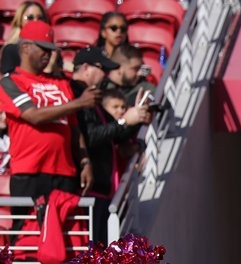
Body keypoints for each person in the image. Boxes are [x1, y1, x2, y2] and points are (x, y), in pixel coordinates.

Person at [0, 21, 99, 204]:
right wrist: (78, 103)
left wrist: (85, 161)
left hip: (65, 172)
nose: (48, 54)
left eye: (51, 49)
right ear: (26, 47)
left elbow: (74, 130)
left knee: (64, 232)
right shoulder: (10, 82)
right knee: (27, 231)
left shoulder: (62, 84)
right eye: (43, 48)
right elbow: (33, 116)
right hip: (29, 172)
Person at [70, 46, 150, 243]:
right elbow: (91, 137)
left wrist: (138, 116)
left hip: (102, 189)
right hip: (91, 189)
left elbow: (113, 133)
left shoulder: (93, 97)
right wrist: (125, 121)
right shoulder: (77, 94)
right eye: (102, 69)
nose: (107, 75)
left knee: (101, 249)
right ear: (86, 68)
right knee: (93, 251)